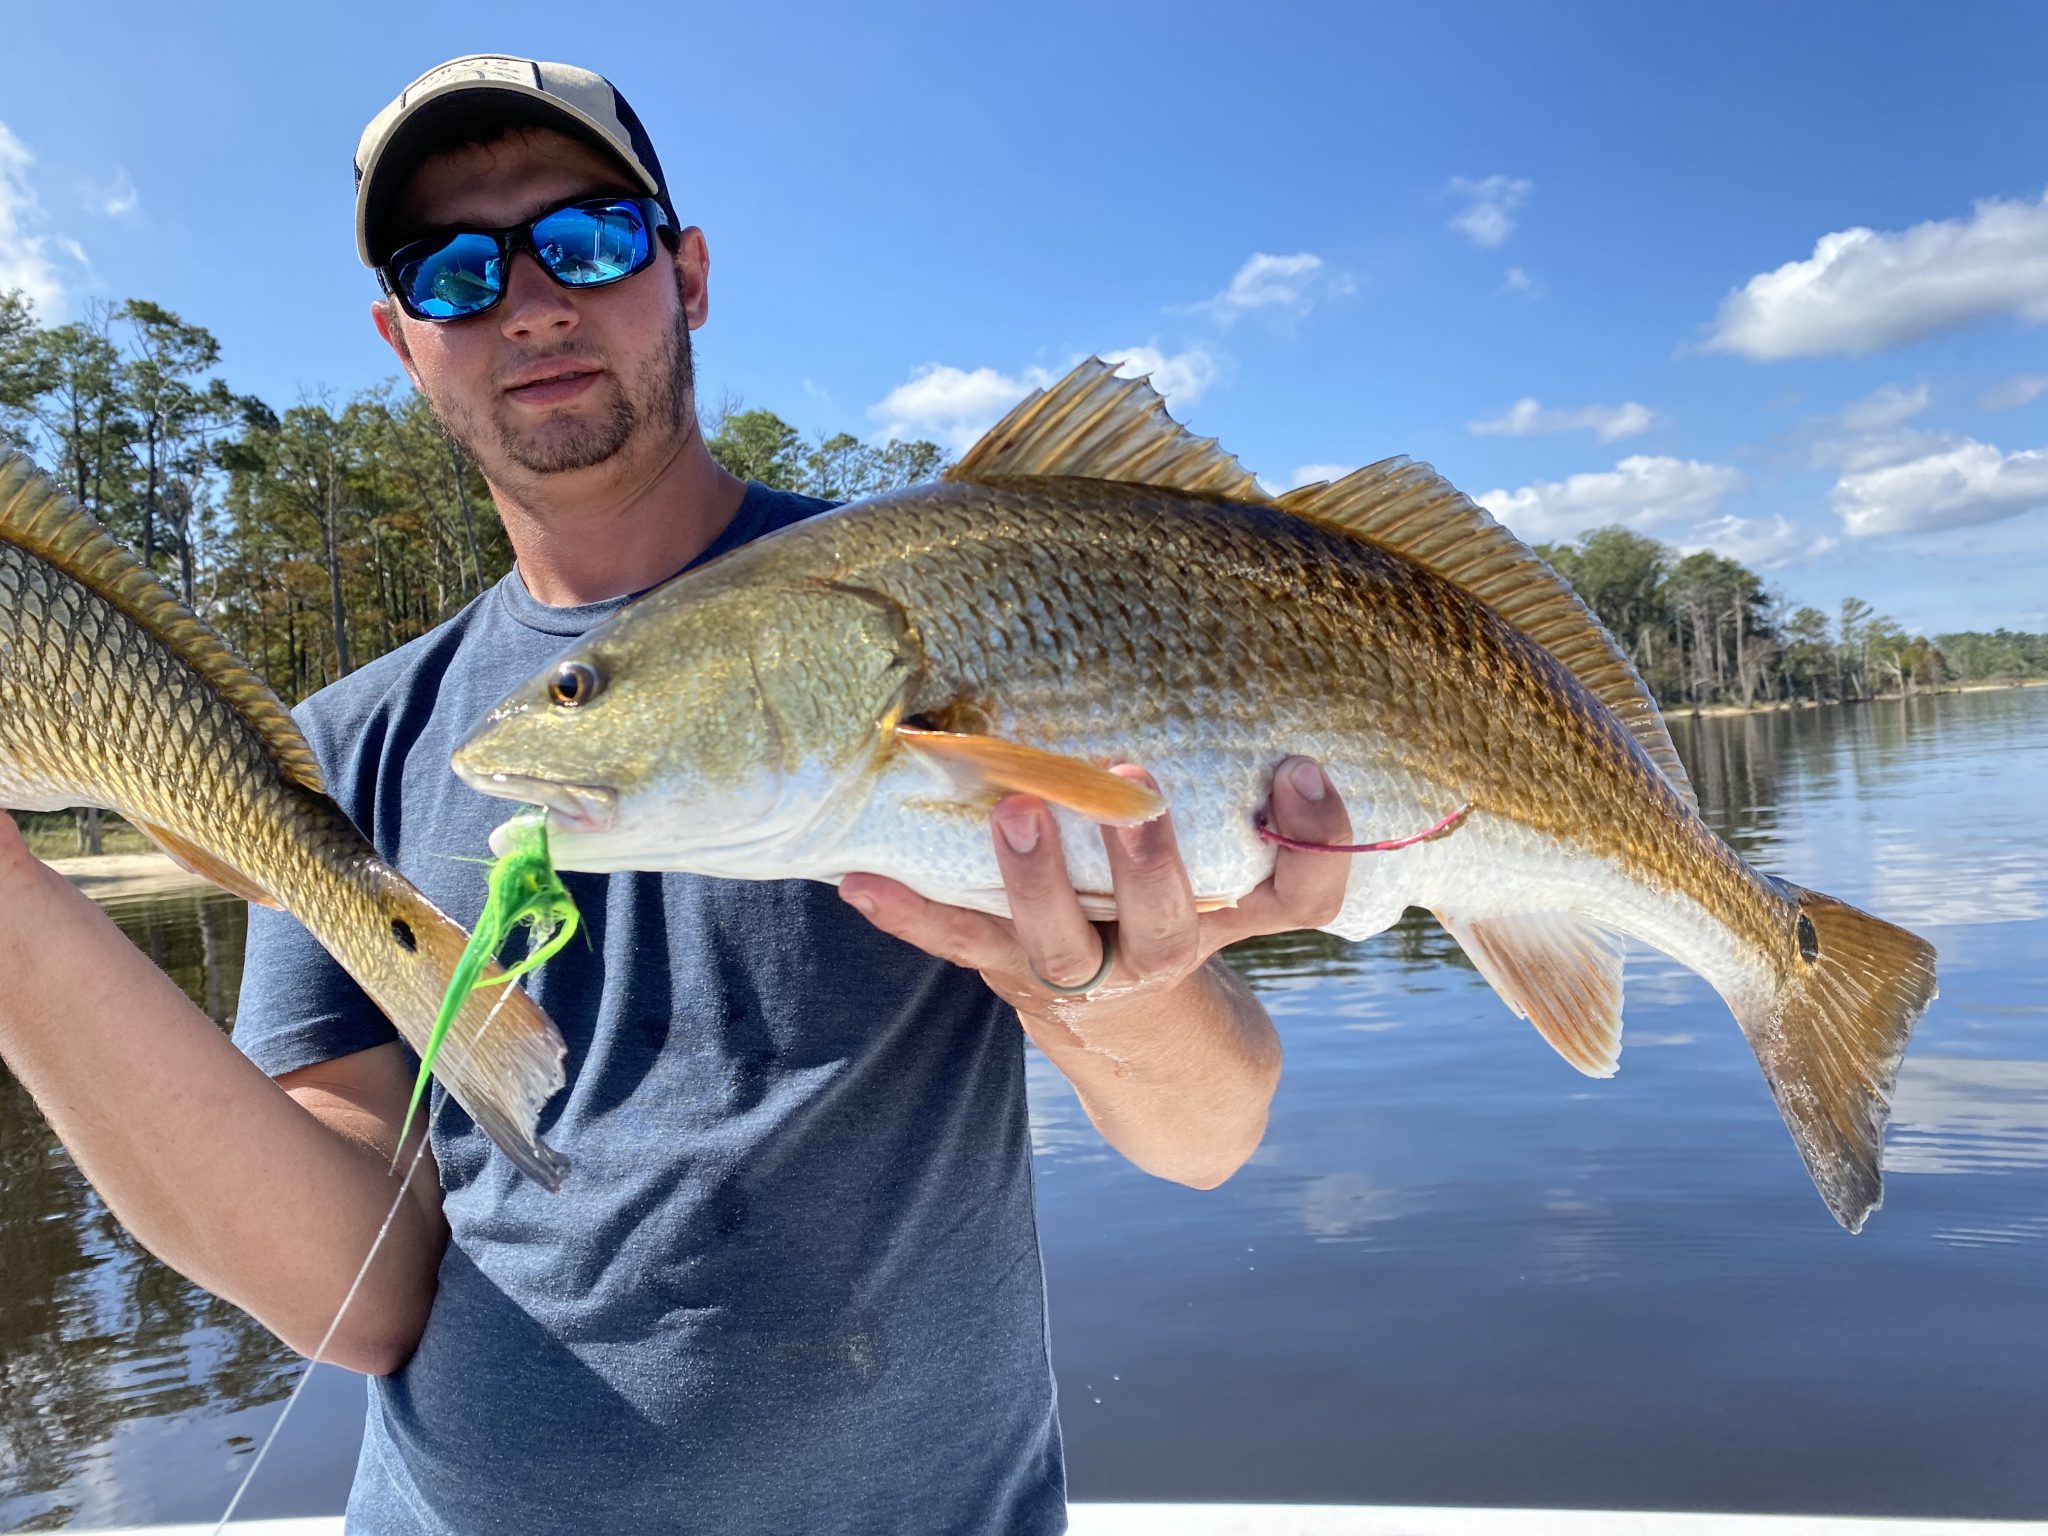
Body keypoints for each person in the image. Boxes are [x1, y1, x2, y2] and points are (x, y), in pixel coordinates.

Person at [0, 54, 1357, 1534]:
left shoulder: (944, 606)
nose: (530, 304)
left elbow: (1204, 1137)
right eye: (453, 272)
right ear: (402, 342)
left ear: (687, 274)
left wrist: (1114, 990)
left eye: (587, 239)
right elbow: (358, 1297)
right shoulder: (341, 745)